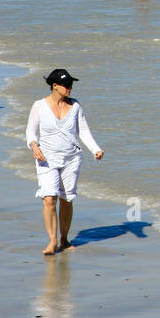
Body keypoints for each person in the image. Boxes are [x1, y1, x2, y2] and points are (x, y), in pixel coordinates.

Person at [26, 68, 103, 256]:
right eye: (66, 85)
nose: (70, 88)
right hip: (46, 159)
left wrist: (95, 149)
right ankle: (52, 240)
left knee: (66, 200)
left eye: (71, 85)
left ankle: (64, 238)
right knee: (49, 198)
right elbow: (30, 131)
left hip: (71, 159)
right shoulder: (39, 106)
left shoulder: (75, 106)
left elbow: (83, 131)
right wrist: (34, 146)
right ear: (55, 86)